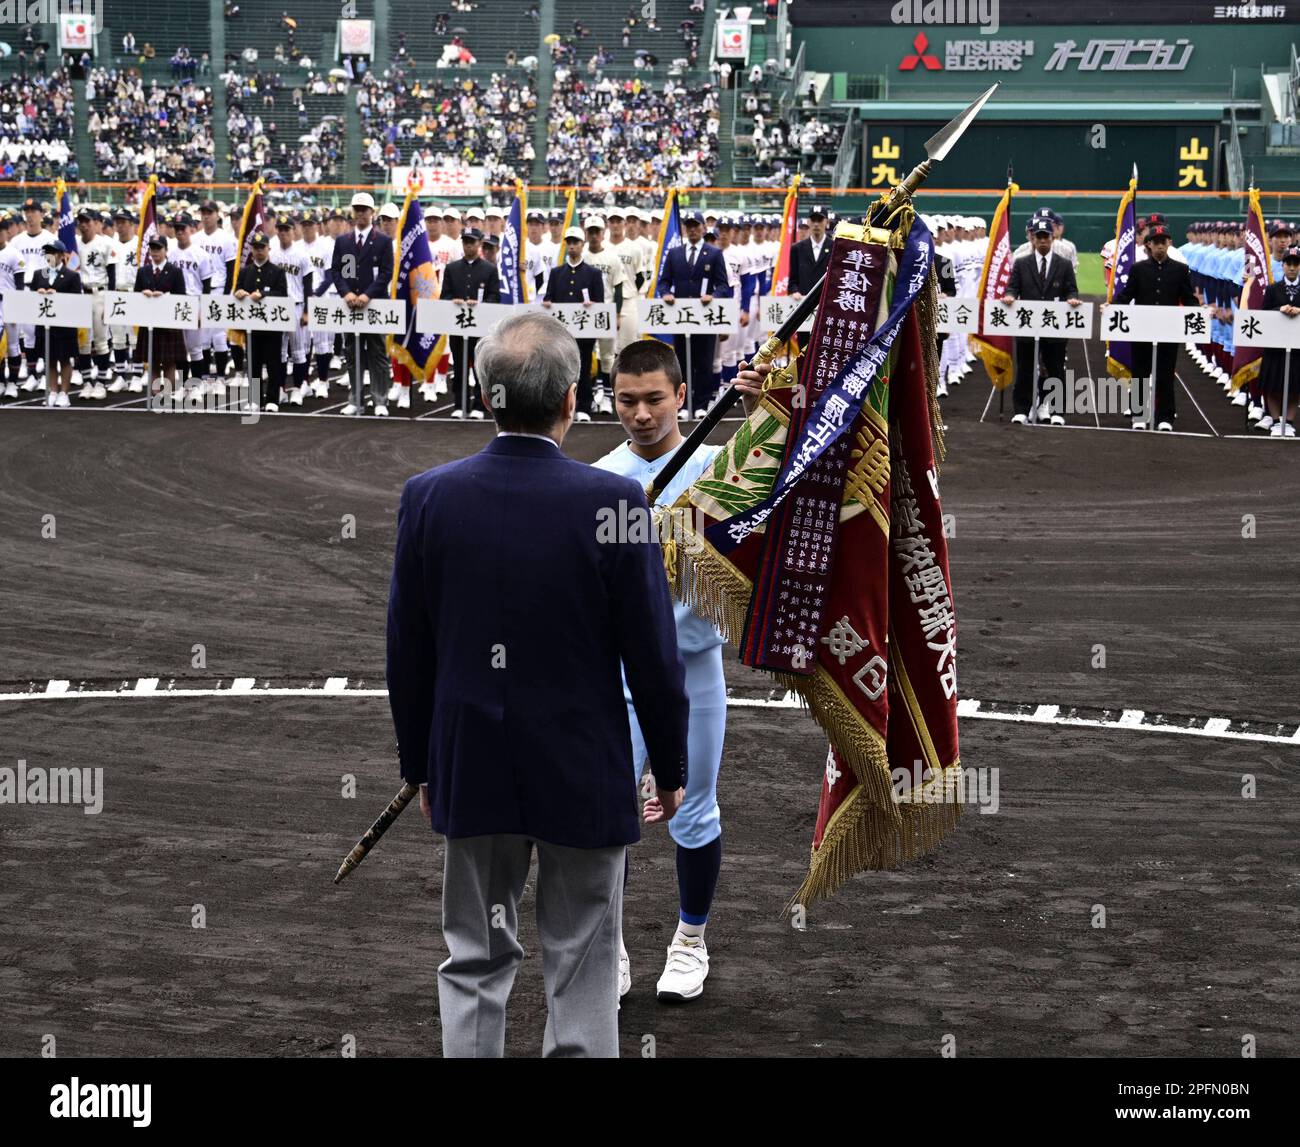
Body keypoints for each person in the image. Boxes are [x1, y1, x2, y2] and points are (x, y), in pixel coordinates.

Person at [387, 308, 690, 1058]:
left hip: (474, 758)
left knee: (475, 955)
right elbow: (651, 650)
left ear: (487, 395)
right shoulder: (614, 503)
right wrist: (672, 764)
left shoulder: (428, 496)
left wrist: (419, 760)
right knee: (584, 955)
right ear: (571, 400)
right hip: (581, 762)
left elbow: (407, 648)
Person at [591, 338, 759, 1003]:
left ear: (682, 396)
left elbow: (795, 478)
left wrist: (759, 412)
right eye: (626, 400)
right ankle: (613, 945)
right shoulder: (600, 479)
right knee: (610, 816)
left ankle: (691, 939)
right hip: (618, 677)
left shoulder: (726, 466)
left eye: (653, 398)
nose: (639, 413)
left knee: (694, 812)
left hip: (693, 670)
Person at [1108, 224, 1201, 431]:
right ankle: (1139, 415)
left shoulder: (1180, 269)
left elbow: (1188, 297)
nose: (1160, 246)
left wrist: (1199, 311)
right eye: (1156, 242)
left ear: (1169, 243)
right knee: (1140, 372)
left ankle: (1165, 417)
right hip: (1142, 329)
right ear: (1148, 244)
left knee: (1165, 374)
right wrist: (1112, 307)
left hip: (1169, 330)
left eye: (1163, 242)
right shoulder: (1138, 269)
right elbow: (1127, 295)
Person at [1002, 214, 1083, 426]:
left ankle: (1054, 409)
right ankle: (1023, 408)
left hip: (1054, 325)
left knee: (1054, 367)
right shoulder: (1021, 263)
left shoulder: (1064, 264)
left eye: (1046, 236)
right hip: (1027, 324)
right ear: (1033, 239)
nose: (1043, 240)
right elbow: (1013, 286)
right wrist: (1010, 295)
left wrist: (1072, 298)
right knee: (1026, 368)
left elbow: (1071, 289)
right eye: (1039, 237)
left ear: (1052, 238)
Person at [320, 191, 394, 416]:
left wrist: (367, 295)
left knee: (377, 353)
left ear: (373, 213)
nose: (360, 213)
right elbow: (337, 271)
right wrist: (347, 294)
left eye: (364, 210)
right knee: (352, 353)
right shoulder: (344, 241)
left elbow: (386, 272)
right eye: (357, 209)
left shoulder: (382, 241)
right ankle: (355, 398)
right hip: (350, 305)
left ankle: (380, 399)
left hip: (374, 305)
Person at [657, 209, 728, 418]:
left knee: (704, 362)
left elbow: (723, 284)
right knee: (682, 361)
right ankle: (683, 403)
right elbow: (663, 282)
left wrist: (713, 295)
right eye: (689, 226)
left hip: (704, 317)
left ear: (703, 228)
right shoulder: (675, 253)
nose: (693, 230)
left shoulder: (714, 253)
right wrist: (666, 293)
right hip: (680, 316)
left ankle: (701, 404)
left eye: (696, 226)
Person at [543, 226, 604, 421]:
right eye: (569, 242)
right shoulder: (556, 273)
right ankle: (563, 407)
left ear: (582, 245)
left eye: (575, 242)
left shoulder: (593, 273)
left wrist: (592, 305)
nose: (572, 246)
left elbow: (600, 303)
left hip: (584, 331)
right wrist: (547, 303)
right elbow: (549, 297)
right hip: (562, 331)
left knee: (584, 368)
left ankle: (584, 406)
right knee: (561, 369)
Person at [439, 226, 500, 419]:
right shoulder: (452, 268)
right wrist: (452, 301)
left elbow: (494, 296)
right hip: (458, 325)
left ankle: (479, 406)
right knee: (459, 366)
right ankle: (459, 403)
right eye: (465, 242)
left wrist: (480, 304)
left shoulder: (489, 270)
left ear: (479, 244)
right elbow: (445, 295)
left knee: (480, 367)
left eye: (472, 242)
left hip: (480, 327)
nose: (468, 246)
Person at [234, 231, 288, 412]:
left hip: (272, 326)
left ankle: (273, 398)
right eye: (256, 248)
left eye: (262, 247)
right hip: (252, 326)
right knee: (253, 363)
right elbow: (237, 290)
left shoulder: (278, 271)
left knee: (273, 364)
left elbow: (282, 294)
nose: (259, 251)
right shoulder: (245, 271)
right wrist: (239, 292)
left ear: (268, 248)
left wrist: (264, 294)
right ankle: (254, 398)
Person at [31, 240, 83, 408]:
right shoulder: (39, 275)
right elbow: (32, 299)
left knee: (65, 359)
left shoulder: (72, 275)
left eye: (53, 252)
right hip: (46, 323)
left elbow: (76, 301)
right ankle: (53, 390)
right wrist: (39, 294)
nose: (50, 256)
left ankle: (64, 393)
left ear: (61, 255)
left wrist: (58, 294)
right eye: (47, 252)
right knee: (50, 358)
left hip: (64, 325)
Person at [133, 236, 188, 393]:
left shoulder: (175, 271)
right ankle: (156, 393)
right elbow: (135, 294)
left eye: (158, 248)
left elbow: (181, 297)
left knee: (169, 361)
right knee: (153, 359)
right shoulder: (143, 271)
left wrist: (166, 297)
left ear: (166, 250)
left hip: (169, 322)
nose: (155, 252)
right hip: (149, 320)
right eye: (152, 249)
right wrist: (142, 294)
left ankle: (168, 393)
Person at [1258, 244, 1300, 436]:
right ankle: (1275, 421)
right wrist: (1279, 310)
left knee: (1295, 385)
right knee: (1273, 383)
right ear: (1282, 265)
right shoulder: (1273, 289)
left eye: (1296, 264)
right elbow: (1263, 313)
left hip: (1298, 346)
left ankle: (1289, 421)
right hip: (1275, 345)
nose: (1292, 267)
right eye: (1289, 263)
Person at [789, 204, 830, 297]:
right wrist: (794, 291)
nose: (816, 224)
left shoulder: (835, 248)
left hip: (826, 303)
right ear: (808, 222)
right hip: (803, 303)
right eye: (813, 220)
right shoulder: (797, 249)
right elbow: (792, 281)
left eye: (820, 220)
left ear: (827, 222)